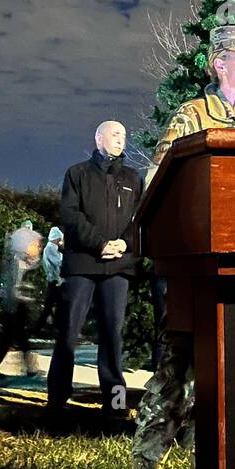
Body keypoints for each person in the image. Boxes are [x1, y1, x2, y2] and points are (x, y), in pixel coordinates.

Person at [111, 25, 235, 469]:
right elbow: (158, 179)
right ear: (218, 64)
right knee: (173, 380)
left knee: (232, 387)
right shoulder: (192, 115)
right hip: (195, 273)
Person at [49, 120, 143, 427]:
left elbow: (139, 219)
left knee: (112, 335)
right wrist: (99, 244)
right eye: (115, 134)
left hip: (118, 266)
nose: (121, 139)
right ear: (98, 138)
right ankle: (57, 401)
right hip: (82, 264)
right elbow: (71, 216)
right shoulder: (77, 174)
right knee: (68, 333)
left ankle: (115, 404)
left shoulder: (132, 178)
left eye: (123, 136)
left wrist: (123, 244)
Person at [0, 223, 43, 380]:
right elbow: (14, 287)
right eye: (34, 244)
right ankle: (28, 367)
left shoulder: (26, 262)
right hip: (15, 306)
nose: (38, 247)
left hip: (18, 306)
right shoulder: (17, 263)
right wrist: (19, 303)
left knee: (11, 339)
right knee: (15, 339)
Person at [37, 226, 64, 332]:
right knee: (52, 304)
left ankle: (49, 326)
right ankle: (41, 326)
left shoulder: (53, 248)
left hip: (55, 281)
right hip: (54, 281)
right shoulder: (50, 248)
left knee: (53, 304)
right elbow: (58, 263)